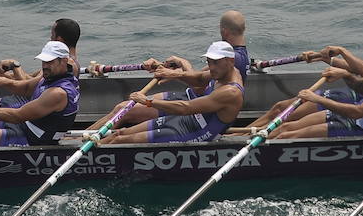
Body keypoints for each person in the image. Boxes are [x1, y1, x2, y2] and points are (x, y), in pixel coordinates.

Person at [237, 5, 363, 134]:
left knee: (286, 123)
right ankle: (241, 135)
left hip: (357, 112)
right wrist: (324, 58)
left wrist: (342, 52)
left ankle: (244, 138)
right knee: (281, 114)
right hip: (356, 104)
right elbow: (358, 68)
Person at [83, 10, 248, 132]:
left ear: (224, 31)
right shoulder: (235, 55)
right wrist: (176, 66)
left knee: (123, 110)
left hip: (193, 107)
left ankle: (80, 141)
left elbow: (198, 87)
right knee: (122, 107)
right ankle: (83, 136)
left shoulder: (232, 59)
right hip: (189, 97)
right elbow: (198, 79)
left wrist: (175, 73)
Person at [267, 33, 363, 139]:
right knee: (285, 128)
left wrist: (317, 99)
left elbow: (357, 112)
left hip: (361, 128)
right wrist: (346, 75)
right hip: (353, 116)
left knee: (287, 136)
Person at [100, 41, 245, 144]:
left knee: (119, 141)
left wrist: (147, 102)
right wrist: (173, 73)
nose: (211, 67)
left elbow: (185, 107)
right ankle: (86, 144)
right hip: (184, 120)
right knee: (120, 133)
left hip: (196, 132)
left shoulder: (231, 92)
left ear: (230, 61)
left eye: (216, 62)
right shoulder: (223, 72)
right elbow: (199, 79)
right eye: (209, 62)